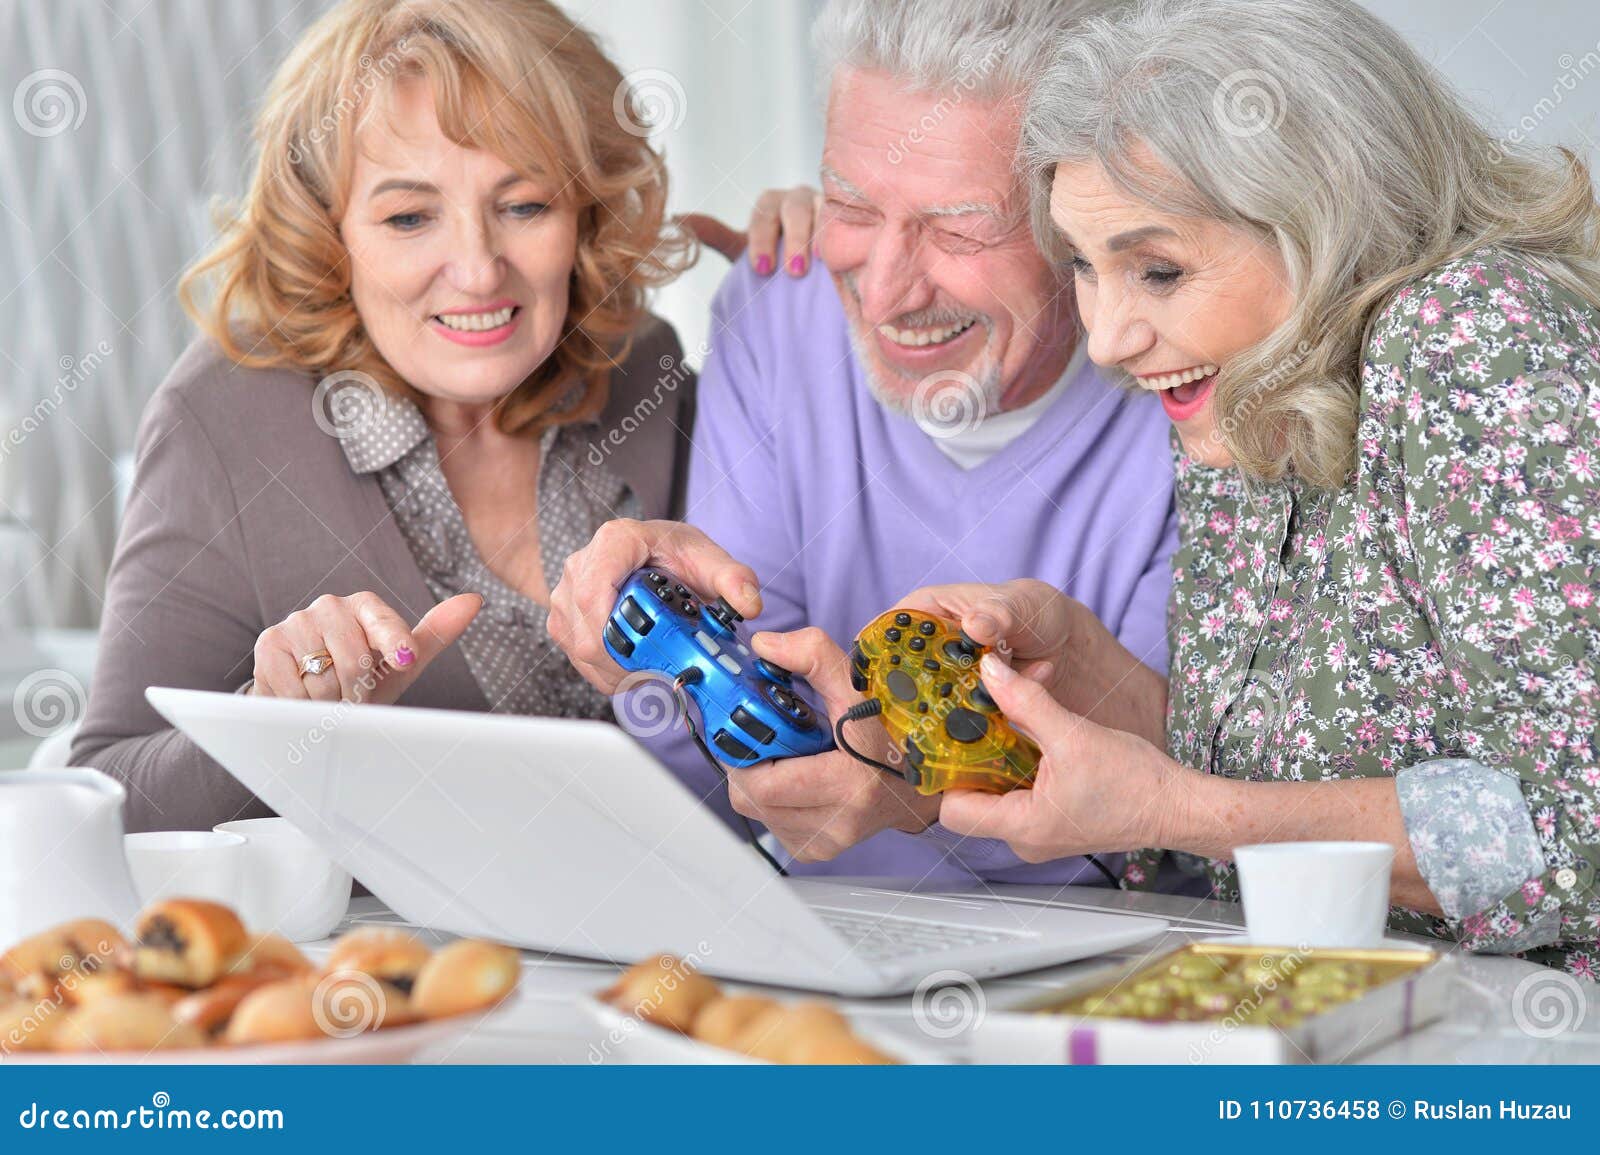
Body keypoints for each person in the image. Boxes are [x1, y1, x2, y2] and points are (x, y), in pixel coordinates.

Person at [912, 0, 1600, 975]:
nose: (1106, 339)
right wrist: (1084, 666)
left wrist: (1180, 814)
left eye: (1157, 269)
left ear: (1324, 219)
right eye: (1083, 266)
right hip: (1343, 1014)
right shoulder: (1253, 390)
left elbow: (1576, 821)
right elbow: (1271, 776)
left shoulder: (1476, 341)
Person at [549, 0, 1178, 886]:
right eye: (848, 204)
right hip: (821, 948)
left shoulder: (1186, 382)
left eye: (958, 230)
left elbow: (1163, 792)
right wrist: (642, 661)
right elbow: (719, 777)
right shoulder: (776, 316)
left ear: (1086, 211)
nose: (883, 294)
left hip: (1110, 961)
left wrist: (912, 784)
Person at [71, 0, 695, 831]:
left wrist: (809, 262)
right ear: (330, 233)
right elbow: (106, 793)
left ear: (587, 211)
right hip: (378, 960)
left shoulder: (644, 365)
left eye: (525, 205)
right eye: (409, 217)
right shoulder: (225, 419)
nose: (477, 271)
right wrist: (276, 721)